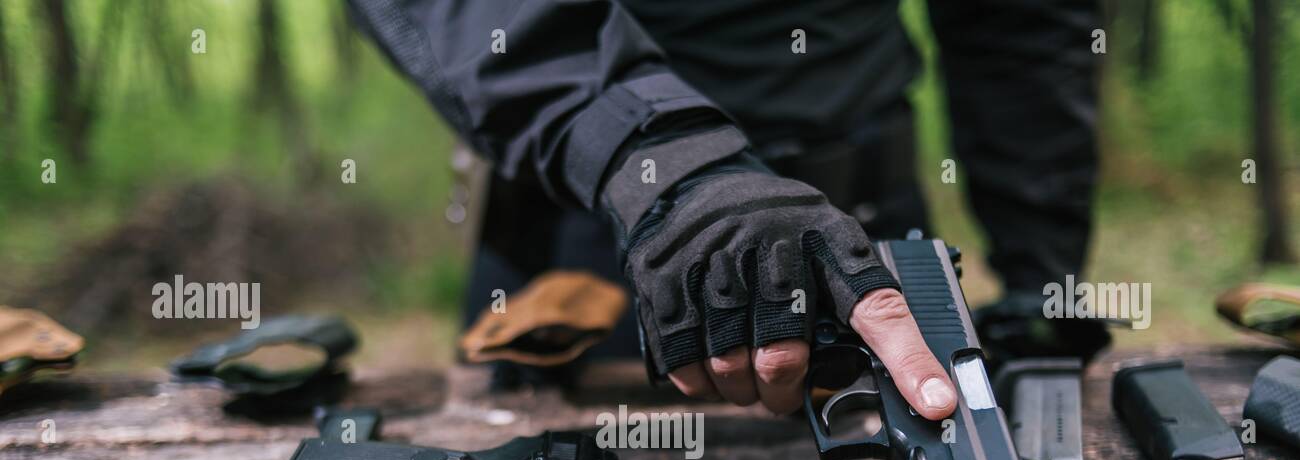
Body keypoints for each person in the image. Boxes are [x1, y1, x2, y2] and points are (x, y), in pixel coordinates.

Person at [346, 0, 1102, 418]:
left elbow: (1022, 22)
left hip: (870, 247)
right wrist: (665, 161)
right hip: (610, 256)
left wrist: (1042, 267)